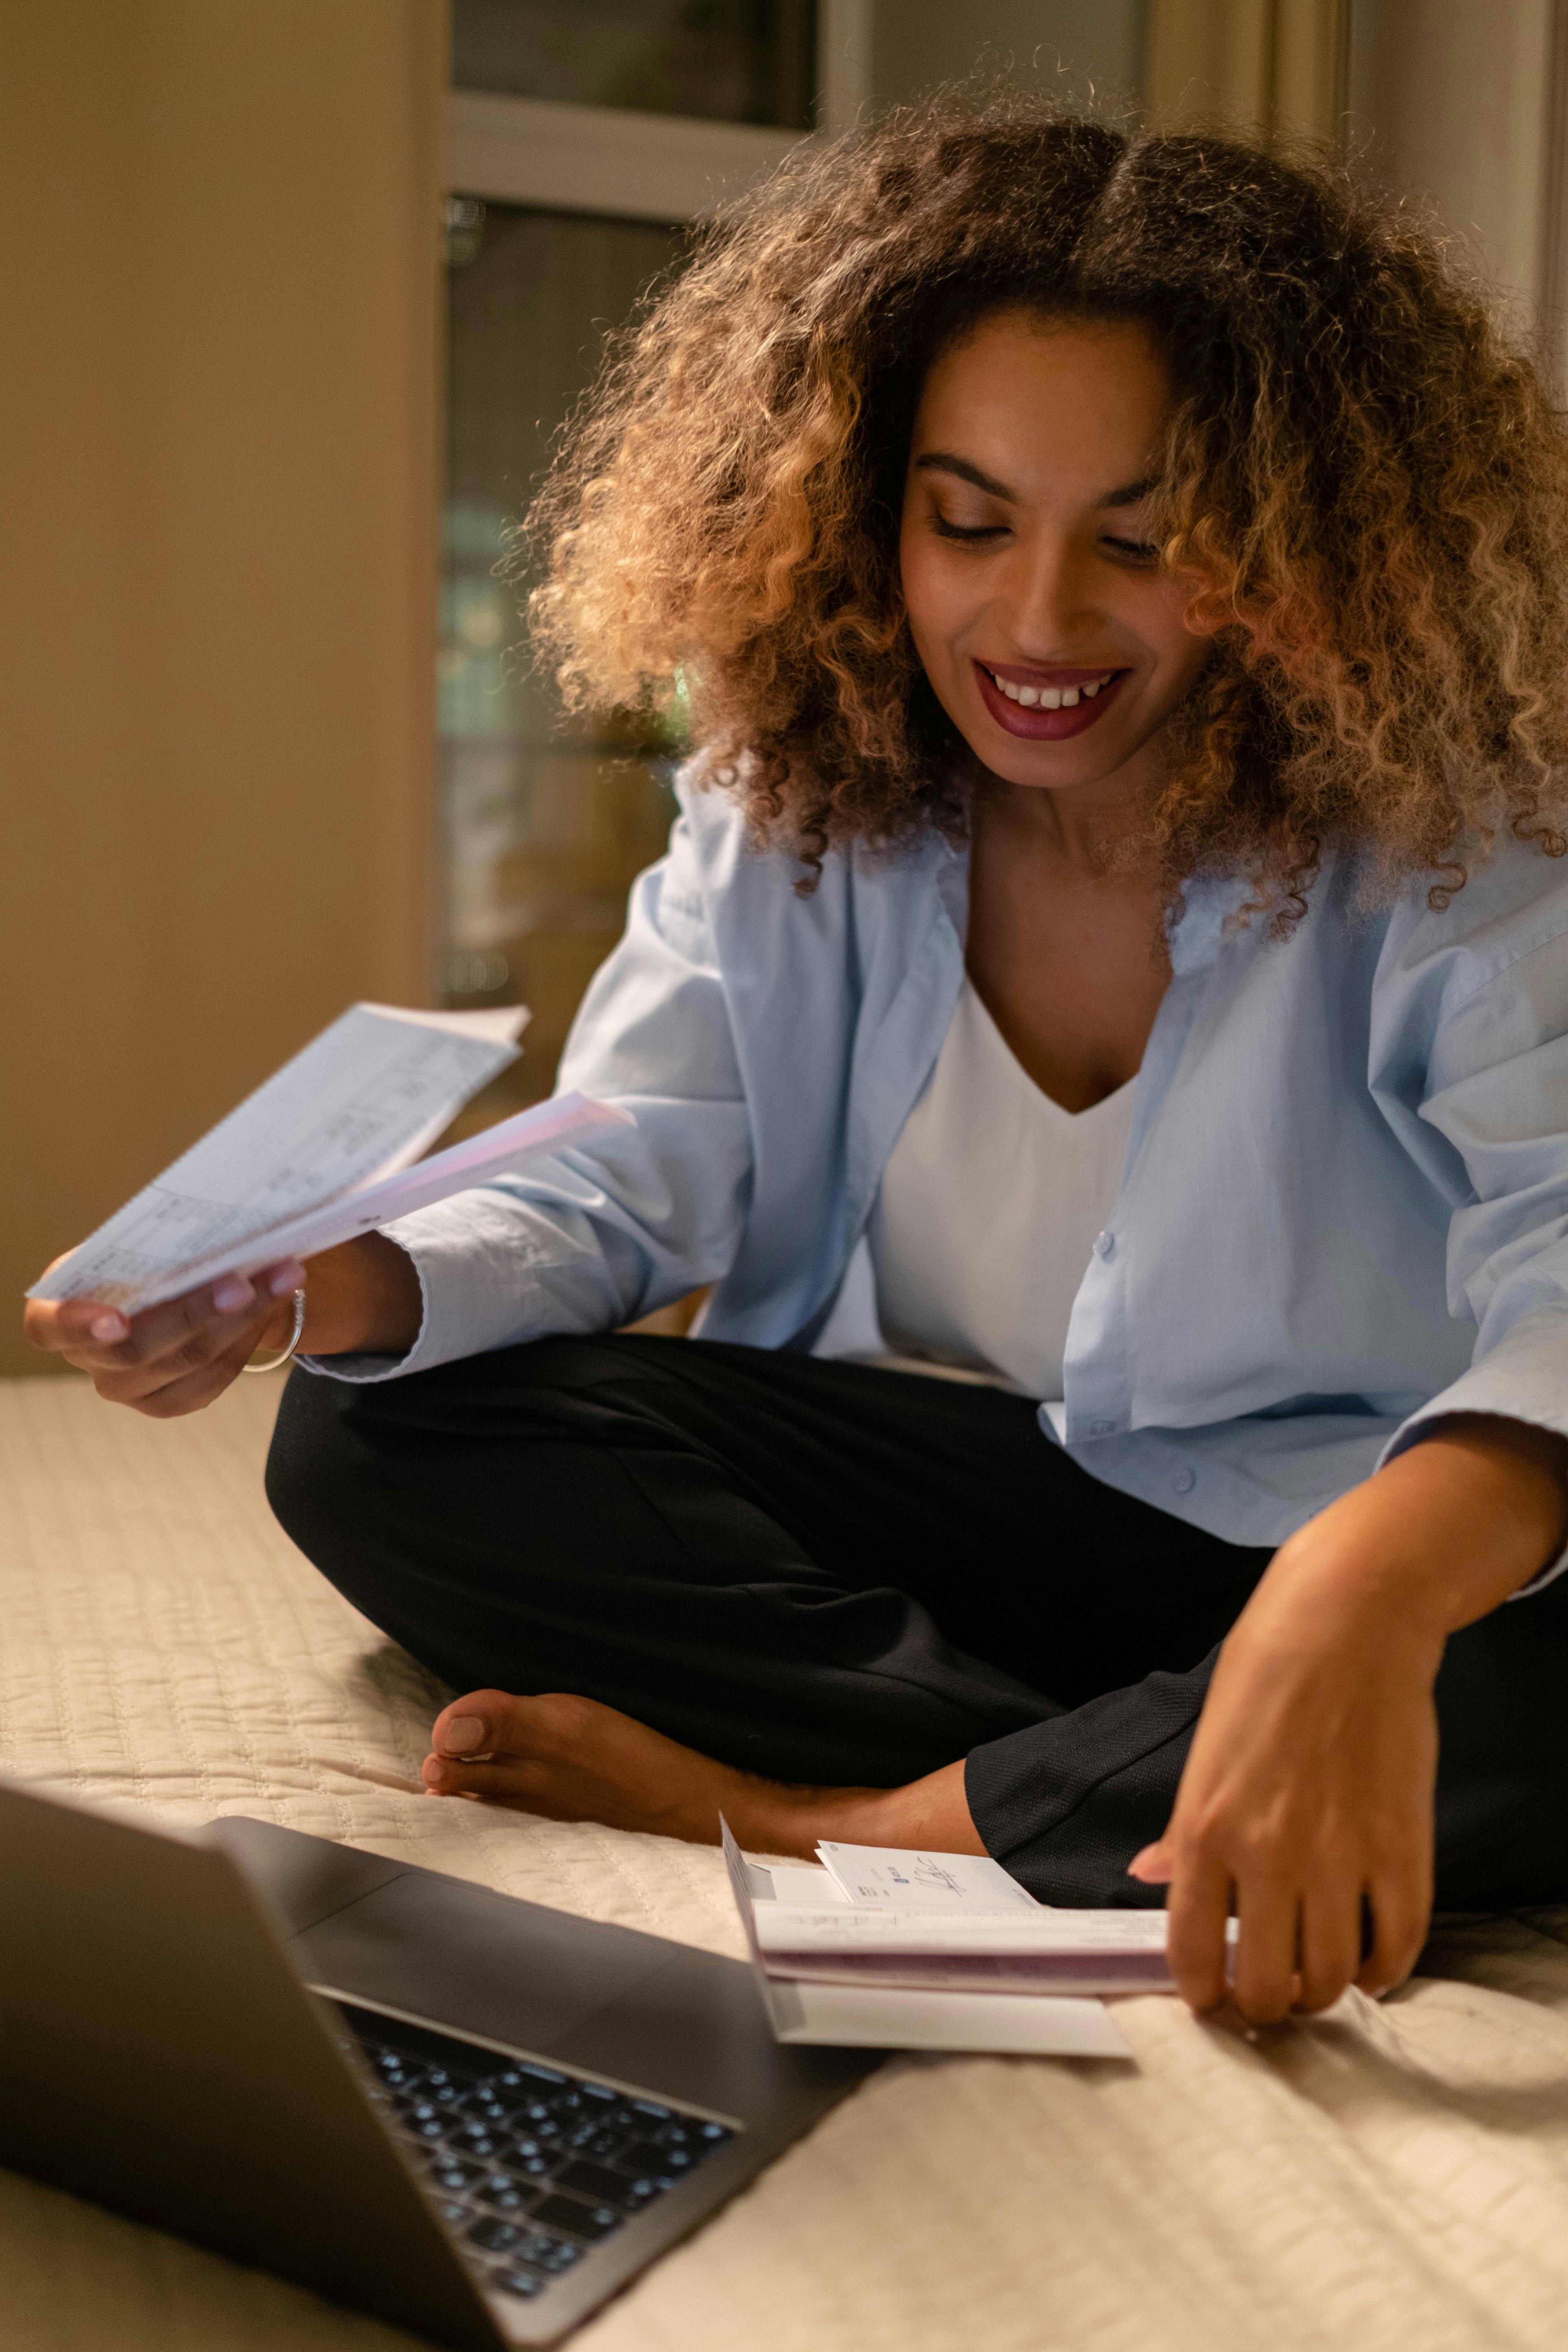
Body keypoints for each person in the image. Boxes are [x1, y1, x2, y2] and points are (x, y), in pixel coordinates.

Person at [29, 100, 1568, 2029]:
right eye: (967, 519)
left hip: (1335, 1522)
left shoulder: (1450, 841)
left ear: (1290, 547)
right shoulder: (803, 801)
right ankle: (1116, 1787)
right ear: (870, 509)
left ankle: (834, 1810)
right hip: (965, 1515)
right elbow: (642, 1156)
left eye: (1143, 541)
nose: (1034, 621)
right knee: (378, 1418)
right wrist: (288, 1288)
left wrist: (1356, 1595)